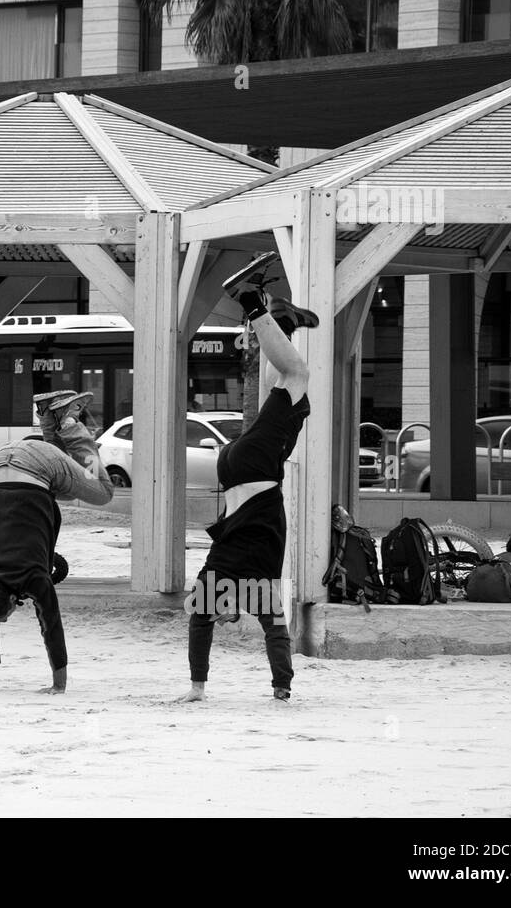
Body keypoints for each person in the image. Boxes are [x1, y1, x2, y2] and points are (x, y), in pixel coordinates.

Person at [177, 252, 317, 704]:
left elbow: (278, 634)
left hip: (256, 468)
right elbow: (198, 624)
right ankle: (282, 322)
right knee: (288, 397)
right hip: (234, 464)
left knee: (296, 376)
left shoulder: (260, 588)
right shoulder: (215, 573)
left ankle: (252, 303)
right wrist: (196, 685)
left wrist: (283, 688)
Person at [0, 390, 114, 695]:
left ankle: (70, 420)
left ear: (10, 601)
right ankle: (50, 414)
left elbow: (51, 625)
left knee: (101, 490)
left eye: (6, 615)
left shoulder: (32, 578)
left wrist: (58, 686)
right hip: (1, 463)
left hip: (35, 466)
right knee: (69, 489)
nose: (7, 620)